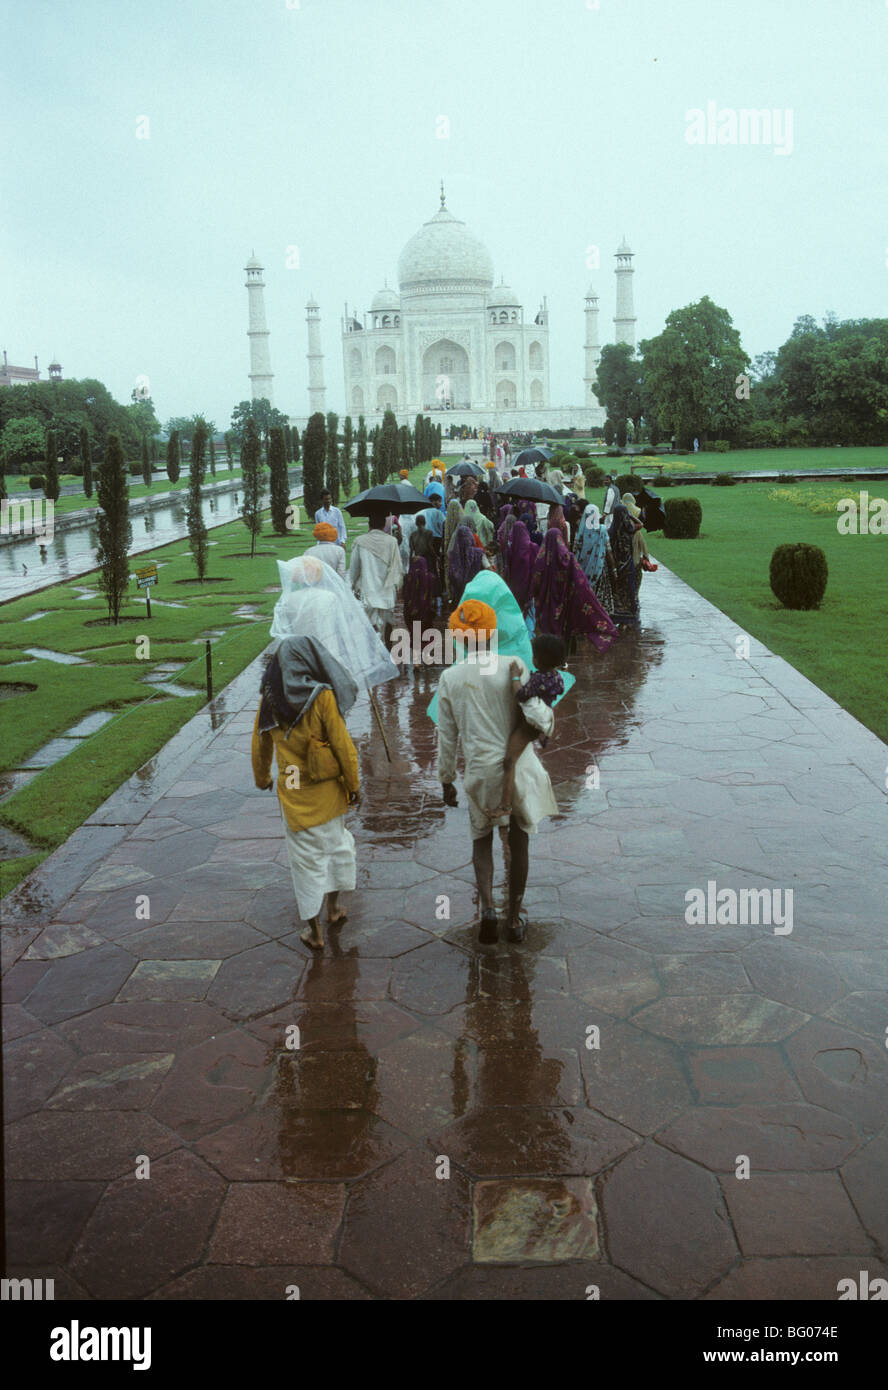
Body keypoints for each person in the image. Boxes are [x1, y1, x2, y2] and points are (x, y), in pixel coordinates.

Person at [437, 601, 558, 945]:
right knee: (519, 843)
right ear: (492, 633)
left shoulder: (450, 677)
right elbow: (537, 716)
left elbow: (447, 737)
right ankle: (514, 916)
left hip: (479, 774)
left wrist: (446, 779)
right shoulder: (514, 666)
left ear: (460, 639)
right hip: (517, 770)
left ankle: (488, 909)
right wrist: (549, 722)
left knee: (481, 840)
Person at [252, 636, 360, 952]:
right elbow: (344, 747)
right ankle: (335, 909)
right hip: (328, 792)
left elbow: (260, 744)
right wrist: (354, 787)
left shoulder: (268, 701)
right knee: (337, 847)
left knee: (305, 863)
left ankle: (314, 932)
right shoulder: (323, 697)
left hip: (295, 794)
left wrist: (262, 779)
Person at [486, 632, 566, 819]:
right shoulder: (556, 677)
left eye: (534, 655)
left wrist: (515, 676)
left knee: (509, 761)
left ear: (539, 659)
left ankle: (505, 805)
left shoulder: (538, 680)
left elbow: (520, 695)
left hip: (527, 727)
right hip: (541, 721)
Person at [532, 528, 618, 652]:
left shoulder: (541, 560)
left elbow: (535, 582)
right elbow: (581, 583)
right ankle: (563, 660)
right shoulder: (569, 559)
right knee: (565, 635)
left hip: (547, 606)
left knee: (548, 634)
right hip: (566, 606)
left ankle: (548, 658)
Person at [349, 510, 404, 643]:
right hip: (387, 591)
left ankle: (373, 653)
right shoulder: (392, 542)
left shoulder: (360, 541)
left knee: (370, 626)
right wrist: (397, 587)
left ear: (370, 524)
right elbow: (398, 568)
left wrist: (353, 585)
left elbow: (354, 569)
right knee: (389, 624)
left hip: (368, 591)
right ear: (384, 524)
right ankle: (389, 651)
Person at [574, 503, 617, 614]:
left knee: (585, 594)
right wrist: (613, 569)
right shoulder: (602, 530)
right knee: (599, 598)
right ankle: (599, 617)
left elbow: (575, 551)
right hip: (599, 568)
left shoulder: (581, 532)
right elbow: (608, 551)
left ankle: (584, 615)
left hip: (583, 570)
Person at [608, 503, 641, 627]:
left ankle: (617, 615)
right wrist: (631, 516)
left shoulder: (610, 531)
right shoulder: (629, 529)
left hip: (616, 567)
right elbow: (641, 525)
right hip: (627, 566)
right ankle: (628, 619)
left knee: (617, 591)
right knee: (628, 590)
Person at [449, 522, 489, 604]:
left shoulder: (453, 555)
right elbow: (489, 569)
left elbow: (451, 576)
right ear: (471, 537)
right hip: (476, 596)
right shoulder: (479, 554)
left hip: (460, 597)